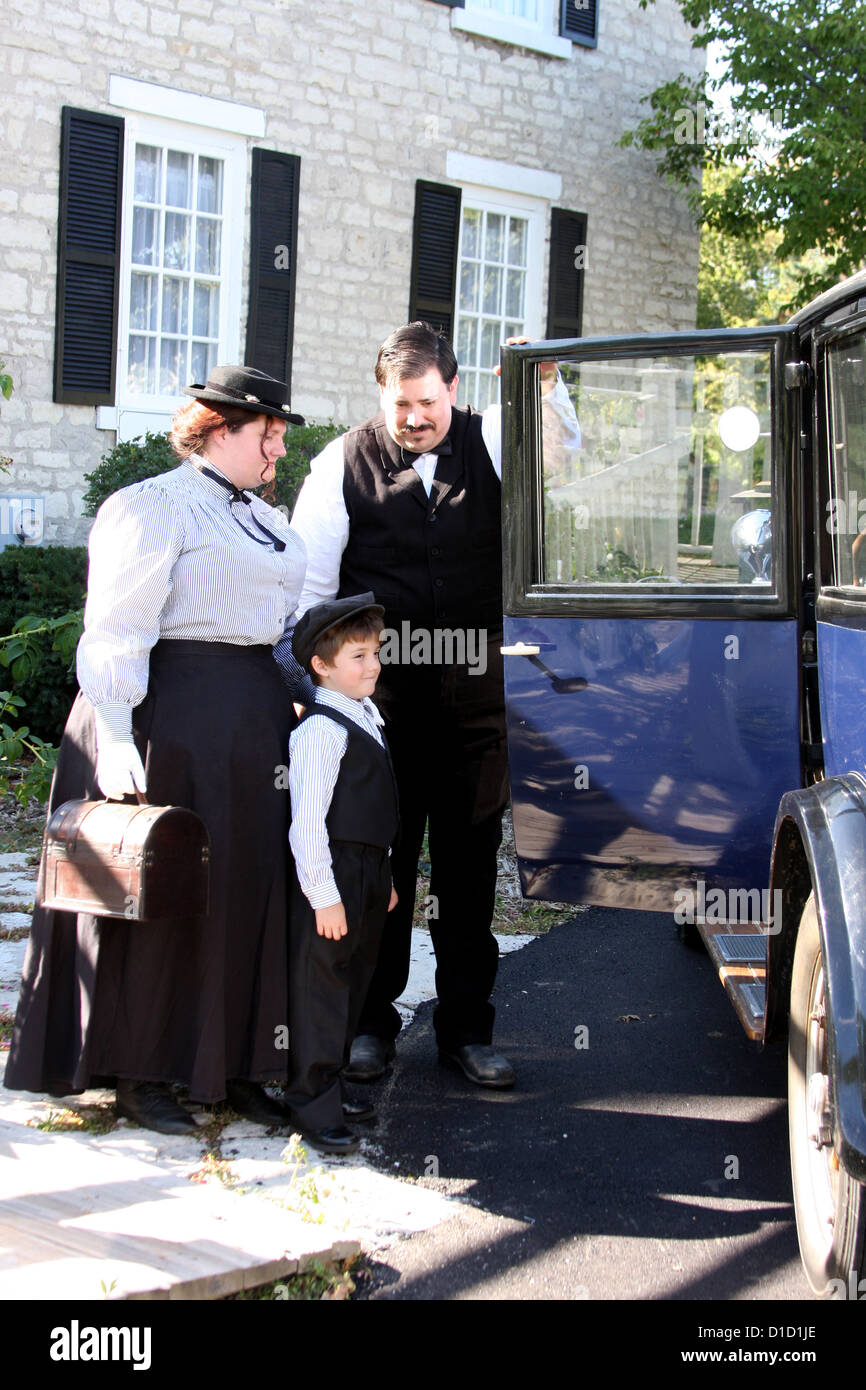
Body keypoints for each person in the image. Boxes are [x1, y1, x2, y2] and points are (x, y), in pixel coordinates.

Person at [4, 365, 308, 1135]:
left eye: (279, 429)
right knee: (159, 890)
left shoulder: (268, 521)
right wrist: (111, 733)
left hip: (251, 730)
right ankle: (142, 1072)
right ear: (217, 428)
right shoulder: (150, 507)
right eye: (265, 429)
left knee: (245, 888)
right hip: (163, 721)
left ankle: (236, 1065)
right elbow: (115, 627)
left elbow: (274, 631)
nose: (278, 442)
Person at [288, 322, 579, 1089]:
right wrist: (310, 696)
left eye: (426, 400)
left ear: (453, 387)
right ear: (380, 395)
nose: (413, 417)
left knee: (468, 873)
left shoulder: (490, 444)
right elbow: (310, 594)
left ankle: (466, 1031)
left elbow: (559, 465)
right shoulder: (338, 464)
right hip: (378, 711)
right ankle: (368, 1027)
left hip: (478, 705)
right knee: (380, 867)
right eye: (399, 403)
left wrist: (546, 387)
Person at [284, 593, 399, 1154]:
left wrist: (387, 878)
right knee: (324, 985)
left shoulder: (367, 716)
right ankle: (310, 1098)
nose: (373, 665)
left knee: (356, 978)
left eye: (375, 653)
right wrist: (325, 897)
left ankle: (329, 1084)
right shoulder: (320, 732)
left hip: (370, 871)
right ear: (321, 666)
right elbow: (306, 825)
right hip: (333, 875)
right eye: (358, 656)